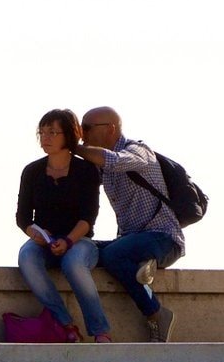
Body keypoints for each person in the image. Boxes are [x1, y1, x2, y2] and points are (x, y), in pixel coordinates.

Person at [77, 106, 185, 341]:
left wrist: (74, 147)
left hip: (163, 237)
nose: (82, 134)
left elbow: (117, 161)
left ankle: (156, 313)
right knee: (86, 248)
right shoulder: (100, 166)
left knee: (114, 255)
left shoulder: (138, 150)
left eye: (86, 128)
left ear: (110, 129)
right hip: (130, 241)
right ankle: (143, 264)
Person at [15, 108, 111, 341]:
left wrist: (68, 241)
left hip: (79, 241)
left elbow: (88, 217)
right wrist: (35, 233)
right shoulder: (32, 171)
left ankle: (100, 331)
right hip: (43, 241)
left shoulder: (86, 170)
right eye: (42, 132)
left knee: (74, 264)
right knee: (26, 257)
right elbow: (23, 216)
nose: (45, 138)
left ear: (67, 135)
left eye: (52, 132)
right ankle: (65, 324)